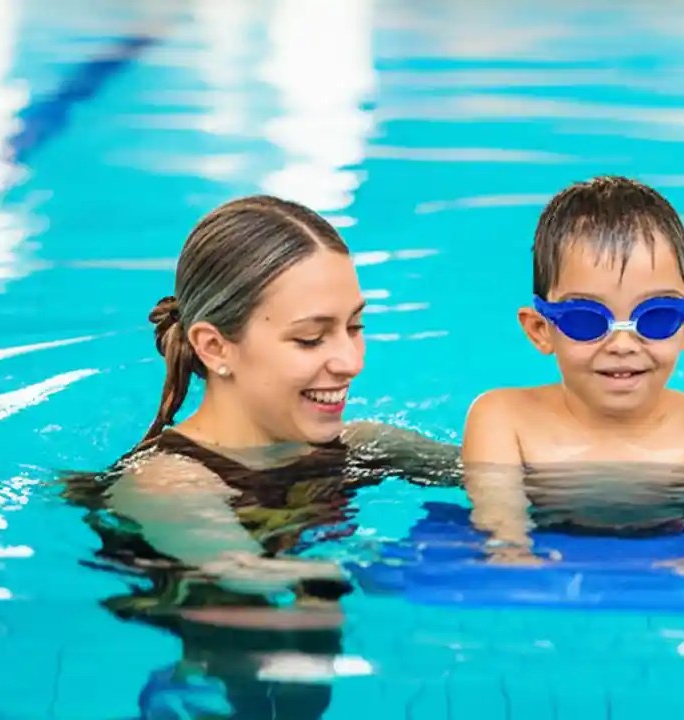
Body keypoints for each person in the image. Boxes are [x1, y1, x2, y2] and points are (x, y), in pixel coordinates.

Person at [61, 194, 458, 719]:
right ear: (215, 347)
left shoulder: (359, 445)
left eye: (355, 327)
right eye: (312, 338)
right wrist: (391, 562)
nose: (350, 361)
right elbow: (252, 575)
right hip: (217, 691)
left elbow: (519, 474)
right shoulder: (170, 483)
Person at [460, 176, 684, 567]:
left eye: (657, 317)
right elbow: (501, 534)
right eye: (586, 320)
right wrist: (511, 547)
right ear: (540, 329)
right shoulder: (502, 417)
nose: (622, 345)